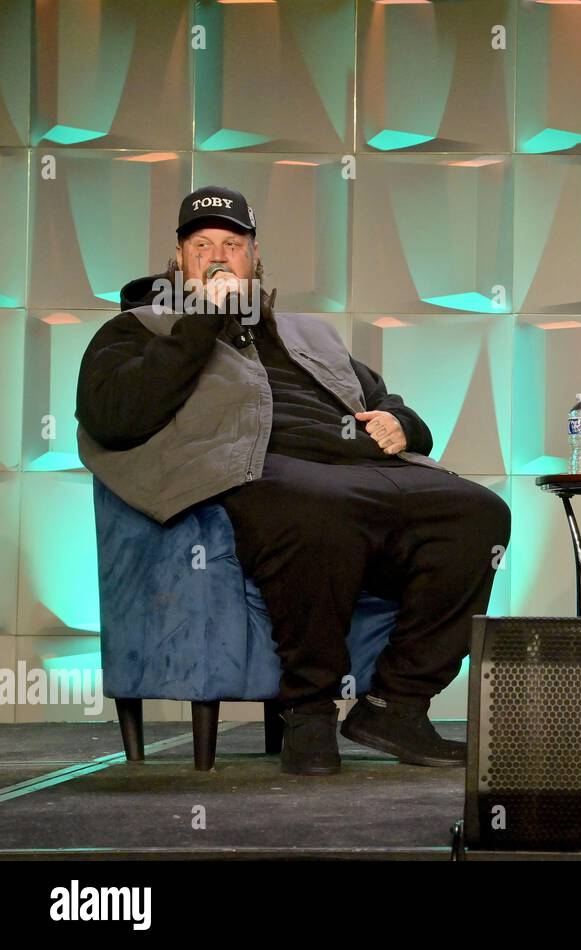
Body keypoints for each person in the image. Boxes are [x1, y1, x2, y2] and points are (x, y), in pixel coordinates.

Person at [76, 186, 511, 776]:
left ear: (255, 256)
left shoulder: (307, 333)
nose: (219, 256)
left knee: (477, 512)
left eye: (233, 245)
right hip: (255, 470)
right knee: (317, 505)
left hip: (359, 468)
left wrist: (403, 424)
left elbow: (382, 398)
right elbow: (114, 416)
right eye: (202, 246)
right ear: (178, 259)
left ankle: (397, 705)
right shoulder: (140, 328)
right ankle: (308, 711)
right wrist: (201, 320)